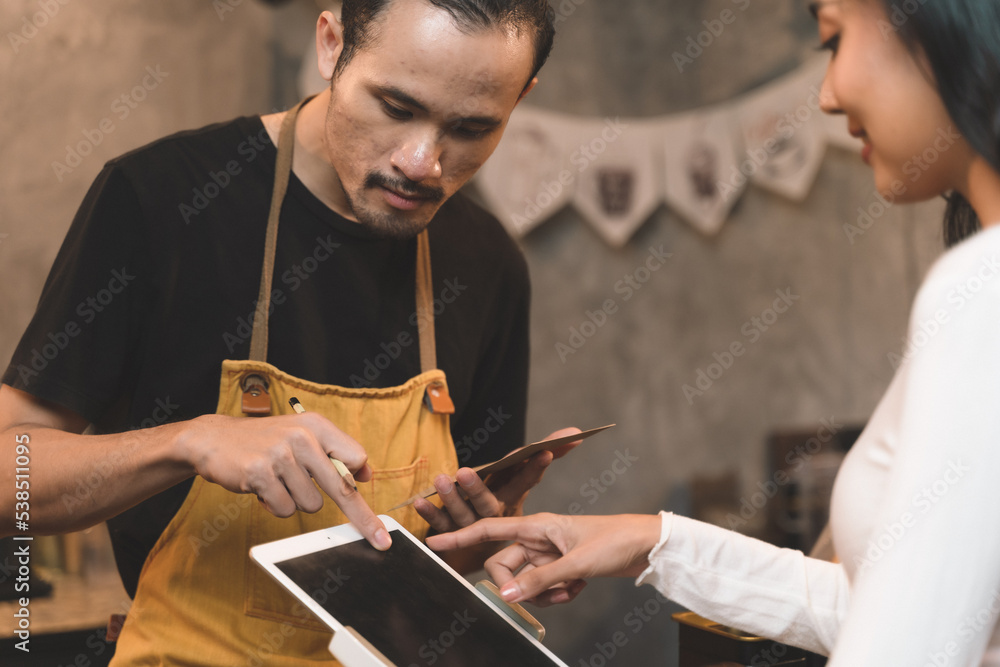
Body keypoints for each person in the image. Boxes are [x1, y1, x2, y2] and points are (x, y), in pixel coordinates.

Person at [0, 1, 574, 664]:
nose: (422, 162)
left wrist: (470, 546)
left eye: (472, 127)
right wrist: (189, 442)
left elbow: (454, 566)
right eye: (394, 105)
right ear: (331, 47)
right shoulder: (159, 201)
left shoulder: (487, 262)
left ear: (521, 97)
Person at [428, 0, 1000, 664]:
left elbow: (908, 648)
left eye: (834, 41)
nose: (827, 94)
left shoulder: (978, 287)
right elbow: (901, 610)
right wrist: (652, 541)